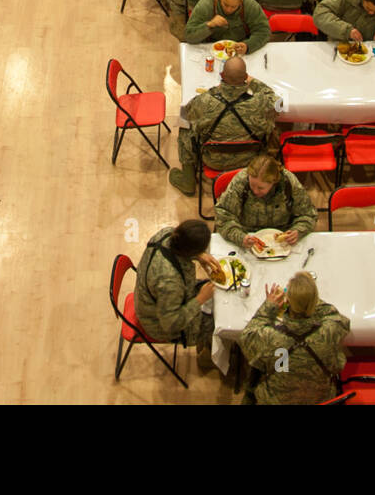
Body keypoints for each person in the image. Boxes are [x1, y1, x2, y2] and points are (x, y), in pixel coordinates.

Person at [169, 56, 278, 195]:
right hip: (250, 160)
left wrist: (214, 91)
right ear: (245, 77)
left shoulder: (204, 101)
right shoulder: (260, 103)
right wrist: (253, 82)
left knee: (184, 126)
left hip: (212, 160)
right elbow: (278, 105)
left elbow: (186, 114)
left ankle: (188, 179)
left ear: (221, 75)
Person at [239, 271, 351, 405]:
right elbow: (339, 319)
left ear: (289, 301)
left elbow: (247, 335)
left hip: (276, 401)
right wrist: (309, 297)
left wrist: (269, 306)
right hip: (320, 400)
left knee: (257, 367)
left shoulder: (271, 337)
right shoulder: (329, 331)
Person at [133, 220, 220, 372]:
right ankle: (208, 358)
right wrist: (200, 299)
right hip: (156, 321)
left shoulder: (166, 234)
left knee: (215, 291)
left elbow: (180, 247)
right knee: (216, 322)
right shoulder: (170, 282)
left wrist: (199, 255)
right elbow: (171, 323)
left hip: (155, 299)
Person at [216, 153, 318, 252]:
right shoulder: (241, 181)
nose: (255, 191)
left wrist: (298, 231)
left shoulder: (288, 183)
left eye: (261, 188)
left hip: (283, 240)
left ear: (274, 182)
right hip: (248, 236)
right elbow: (223, 216)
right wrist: (240, 237)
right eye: (252, 186)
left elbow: (308, 215)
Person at [183, 0, 271, 55]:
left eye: (233, 7)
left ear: (241, 1)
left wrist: (248, 46)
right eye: (225, 4)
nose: (228, 10)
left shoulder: (250, 5)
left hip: (239, 51)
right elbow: (189, 36)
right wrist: (209, 25)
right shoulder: (206, 4)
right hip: (210, 50)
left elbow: (264, 32)